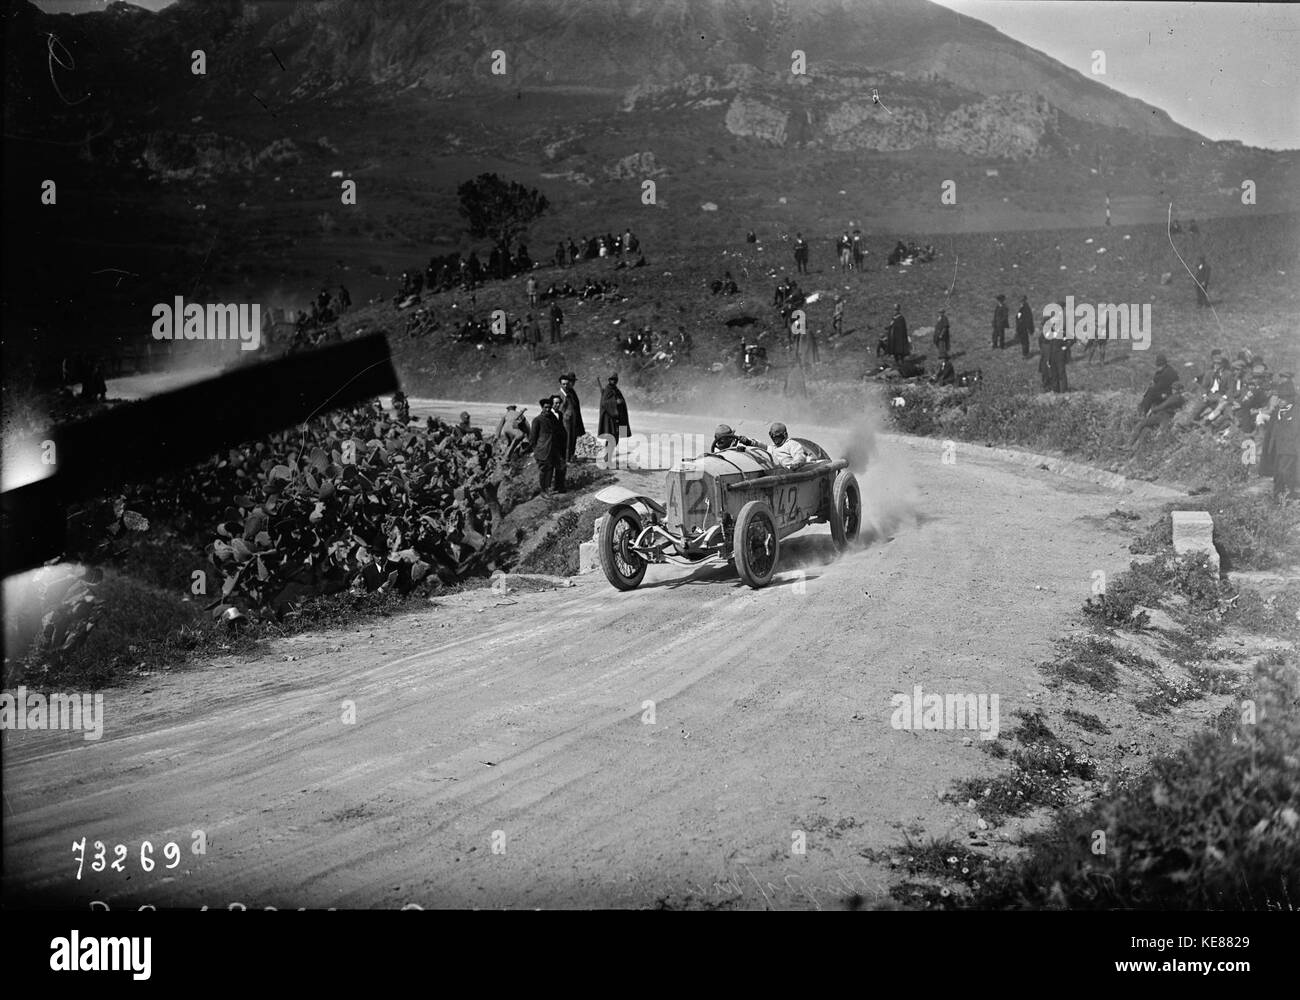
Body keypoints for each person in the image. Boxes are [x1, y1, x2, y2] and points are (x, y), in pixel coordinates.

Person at [529, 397, 567, 494]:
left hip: (554, 449)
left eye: (549, 408)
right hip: (543, 449)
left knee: (561, 466)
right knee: (545, 470)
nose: (547, 410)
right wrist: (536, 451)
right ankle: (544, 491)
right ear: (542, 408)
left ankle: (558, 487)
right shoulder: (537, 420)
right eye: (545, 407)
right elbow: (532, 438)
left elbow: (559, 431)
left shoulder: (553, 418)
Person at [558, 372, 585, 461]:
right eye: (571, 381)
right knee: (568, 439)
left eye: (573, 381)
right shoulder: (562, 394)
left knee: (573, 438)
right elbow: (560, 409)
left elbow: (575, 406)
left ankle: (571, 456)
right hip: (566, 420)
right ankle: (567, 458)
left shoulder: (571, 392)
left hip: (573, 419)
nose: (572, 383)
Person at [599, 372, 629, 444]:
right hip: (609, 417)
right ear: (609, 380)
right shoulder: (607, 389)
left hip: (617, 416)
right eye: (612, 379)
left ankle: (611, 451)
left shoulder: (616, 390)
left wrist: (621, 402)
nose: (614, 381)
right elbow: (604, 403)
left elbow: (622, 401)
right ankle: (608, 452)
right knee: (611, 436)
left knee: (616, 436)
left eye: (615, 380)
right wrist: (615, 402)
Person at [886, 304, 909, 368]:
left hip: (899, 338)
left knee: (900, 351)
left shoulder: (901, 318)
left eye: (896, 310)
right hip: (894, 337)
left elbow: (902, 328)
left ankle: (902, 362)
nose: (895, 311)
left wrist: (894, 325)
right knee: (894, 350)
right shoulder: (894, 318)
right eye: (894, 310)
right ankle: (897, 362)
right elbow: (891, 326)